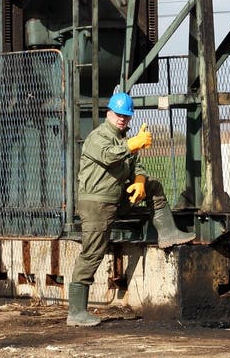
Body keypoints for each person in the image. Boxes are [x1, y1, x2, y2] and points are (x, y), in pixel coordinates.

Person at [66, 91, 181, 327]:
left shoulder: (124, 138)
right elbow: (109, 156)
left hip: (116, 200)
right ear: (109, 113)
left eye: (126, 116)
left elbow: (137, 165)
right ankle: (76, 313)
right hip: (97, 204)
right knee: (92, 253)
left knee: (153, 185)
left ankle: (169, 233)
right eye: (118, 114)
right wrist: (134, 143)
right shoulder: (98, 137)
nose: (122, 119)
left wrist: (139, 181)